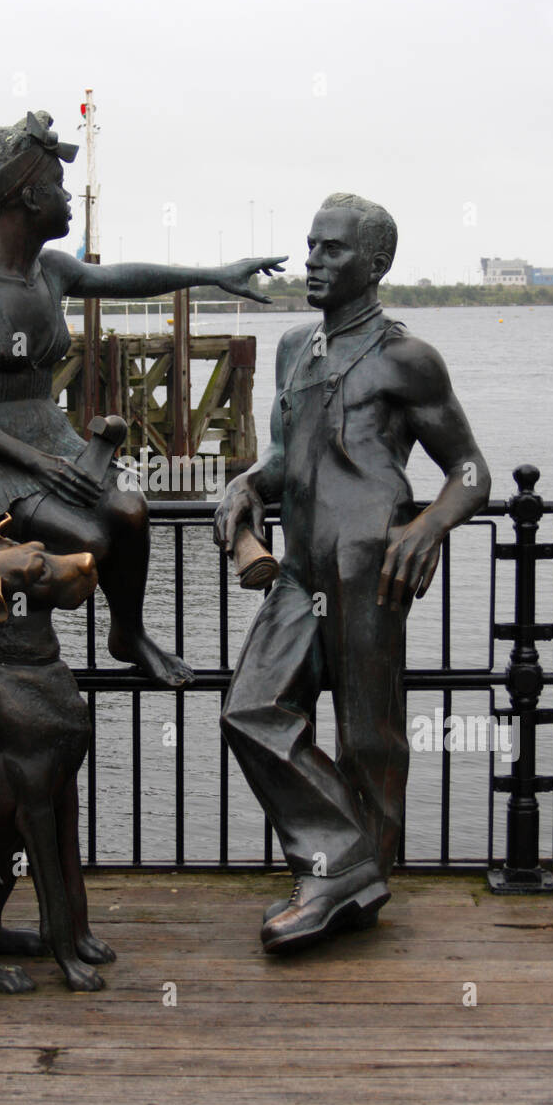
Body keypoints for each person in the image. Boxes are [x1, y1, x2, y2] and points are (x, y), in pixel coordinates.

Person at [214, 192, 490, 951]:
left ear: (375, 264)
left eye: (332, 250)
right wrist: (245, 484)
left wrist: (431, 524)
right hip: (299, 568)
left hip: (369, 564)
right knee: (251, 710)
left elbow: (470, 470)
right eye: (309, 246)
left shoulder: (405, 358)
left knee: (368, 736)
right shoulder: (292, 346)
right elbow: (281, 458)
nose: (312, 261)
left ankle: (342, 885)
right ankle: (346, 863)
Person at [0, 110, 286, 688]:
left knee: (131, 508)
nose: (70, 200)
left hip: (48, 431)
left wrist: (215, 273)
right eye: (59, 188)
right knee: (90, 538)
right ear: (27, 197)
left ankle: (129, 633)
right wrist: (38, 464)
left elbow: (126, 276)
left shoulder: (51, 271)